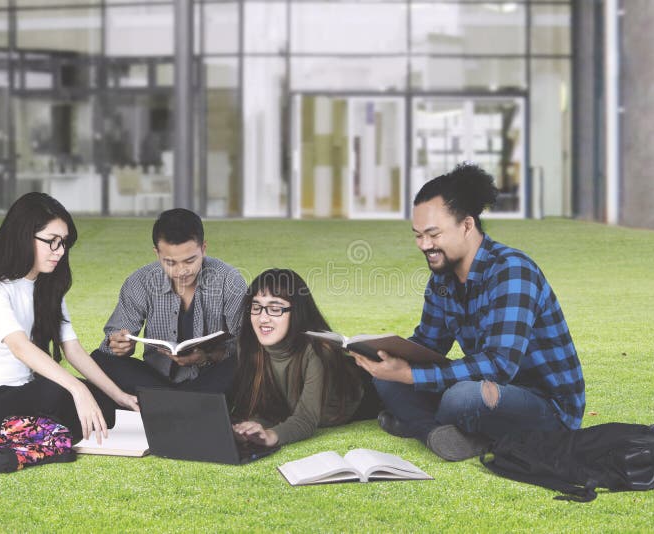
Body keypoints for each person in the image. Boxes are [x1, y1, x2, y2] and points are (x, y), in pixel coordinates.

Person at [353, 163, 585, 461]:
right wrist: (380, 355)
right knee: (386, 379)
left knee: (462, 397)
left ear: (466, 225)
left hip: (546, 406)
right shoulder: (443, 279)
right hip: (487, 388)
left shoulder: (512, 271)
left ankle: (421, 423)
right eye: (418, 235)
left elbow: (500, 366)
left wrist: (411, 375)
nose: (424, 245)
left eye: (433, 234)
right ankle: (436, 432)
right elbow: (427, 344)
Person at [0, 192, 138, 443]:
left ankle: (57, 429)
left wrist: (118, 395)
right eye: (51, 241)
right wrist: (77, 388)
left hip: (28, 392)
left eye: (63, 242)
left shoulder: (47, 287)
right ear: (24, 237)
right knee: (60, 394)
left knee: (107, 402)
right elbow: (20, 347)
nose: (59, 251)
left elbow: (72, 349)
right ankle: (50, 431)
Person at [90, 208, 247, 395]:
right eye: (170, 262)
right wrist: (119, 345)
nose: (181, 271)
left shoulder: (229, 280)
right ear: (157, 253)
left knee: (240, 365)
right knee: (100, 359)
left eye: (189, 261)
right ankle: (186, 403)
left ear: (203, 249)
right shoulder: (140, 281)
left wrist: (206, 357)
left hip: (210, 376)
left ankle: (167, 402)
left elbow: (247, 347)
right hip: (157, 378)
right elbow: (111, 343)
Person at [231, 269, 381, 447]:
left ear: (296, 312)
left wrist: (271, 435)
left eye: (275, 309)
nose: (263, 318)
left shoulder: (317, 351)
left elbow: (305, 420)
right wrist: (250, 428)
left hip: (369, 391)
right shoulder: (249, 346)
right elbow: (264, 409)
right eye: (256, 307)